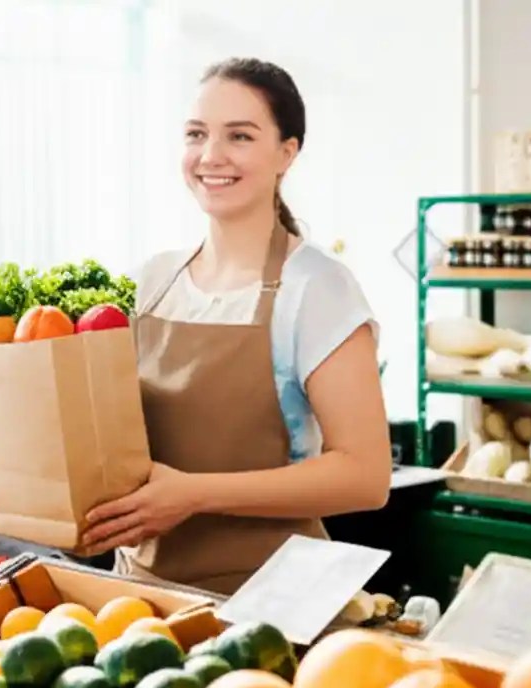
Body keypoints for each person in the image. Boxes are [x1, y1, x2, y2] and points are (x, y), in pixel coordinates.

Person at [77, 57, 392, 594]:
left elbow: (366, 476)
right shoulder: (151, 282)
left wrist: (194, 494)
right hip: (138, 596)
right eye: (196, 134)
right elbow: (101, 430)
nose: (211, 156)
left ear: (286, 153)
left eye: (239, 136)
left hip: (272, 602)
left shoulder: (317, 289)